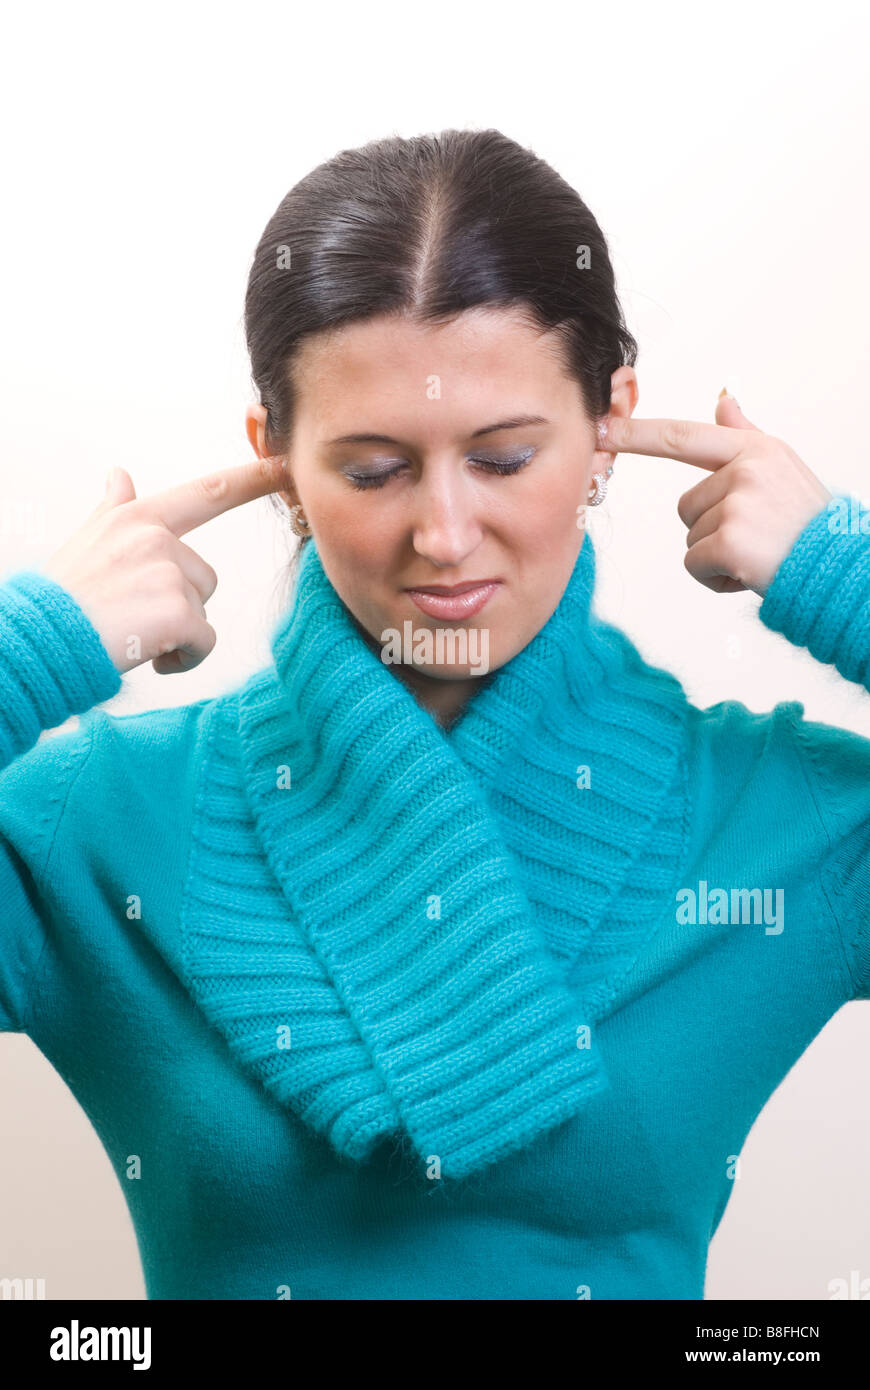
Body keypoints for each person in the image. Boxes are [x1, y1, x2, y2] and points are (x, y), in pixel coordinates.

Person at [1, 127, 868, 1301]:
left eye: (506, 457)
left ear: (611, 419)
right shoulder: (94, 824)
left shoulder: (779, 824)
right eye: (371, 469)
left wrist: (844, 576)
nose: (445, 536)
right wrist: (35, 645)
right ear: (276, 456)